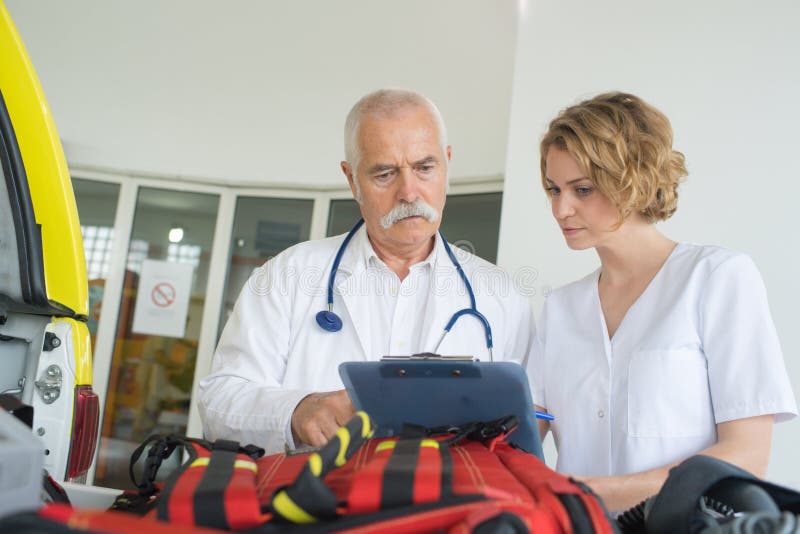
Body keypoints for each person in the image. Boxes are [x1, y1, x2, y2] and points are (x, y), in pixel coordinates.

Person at [199, 89, 534, 454]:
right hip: (315, 502)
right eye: (385, 173)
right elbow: (218, 402)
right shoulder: (286, 276)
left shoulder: (502, 297)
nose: (409, 192)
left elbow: (524, 434)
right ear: (351, 179)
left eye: (425, 168)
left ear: (447, 164)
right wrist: (296, 411)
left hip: (447, 506)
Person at [529, 91, 797, 511]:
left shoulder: (716, 278)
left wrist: (589, 492)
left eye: (582, 189)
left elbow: (746, 456)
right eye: (553, 189)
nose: (562, 208)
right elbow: (521, 440)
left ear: (631, 182)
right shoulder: (561, 309)